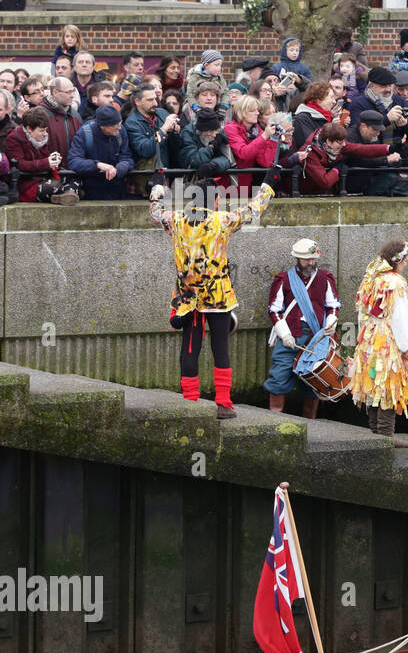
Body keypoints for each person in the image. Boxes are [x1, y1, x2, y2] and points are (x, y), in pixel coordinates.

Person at [150, 175, 275, 418]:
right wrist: (268, 186)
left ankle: (190, 401)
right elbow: (254, 208)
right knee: (221, 348)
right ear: (215, 200)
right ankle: (224, 403)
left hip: (188, 297)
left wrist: (157, 189)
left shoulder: (176, 220)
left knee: (190, 347)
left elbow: (156, 211)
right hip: (217, 296)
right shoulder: (222, 220)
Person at [352, 238, 408, 443]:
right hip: (388, 338)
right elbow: (399, 317)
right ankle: (386, 435)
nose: (407, 263)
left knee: (373, 382)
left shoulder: (371, 279)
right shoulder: (395, 282)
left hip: (370, 337)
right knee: (390, 385)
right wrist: (407, 346)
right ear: (397, 261)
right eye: (405, 260)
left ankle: (375, 431)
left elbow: (362, 312)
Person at [264, 238, 341, 418]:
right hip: (290, 336)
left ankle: (310, 422)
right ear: (298, 258)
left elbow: (333, 305)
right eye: (307, 259)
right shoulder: (283, 279)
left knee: (314, 383)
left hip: (316, 338)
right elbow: (274, 310)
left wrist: (331, 322)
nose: (311, 263)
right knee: (279, 377)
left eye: (313, 259)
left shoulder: (325, 277)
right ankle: (273, 420)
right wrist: (284, 334)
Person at [300, 121, 395, 195]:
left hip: (320, 192)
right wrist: (337, 169)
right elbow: (325, 182)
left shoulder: (337, 142)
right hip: (303, 192)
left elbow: (361, 149)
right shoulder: (310, 153)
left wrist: (388, 149)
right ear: (328, 141)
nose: (344, 145)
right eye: (340, 142)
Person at [6, 107, 75, 204]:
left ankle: (65, 194)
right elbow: (20, 164)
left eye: (46, 130)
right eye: (42, 130)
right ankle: (70, 192)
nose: (45, 134)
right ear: (29, 129)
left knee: (74, 177)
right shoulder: (14, 138)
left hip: (45, 178)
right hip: (26, 184)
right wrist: (47, 162)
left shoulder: (42, 138)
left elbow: (47, 161)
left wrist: (55, 161)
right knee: (54, 186)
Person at [67, 104, 133, 200]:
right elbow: (73, 161)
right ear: (102, 126)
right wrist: (97, 165)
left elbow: (127, 157)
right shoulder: (84, 133)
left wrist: (119, 168)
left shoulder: (121, 131)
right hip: (91, 190)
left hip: (117, 188)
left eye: (120, 122)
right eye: (115, 125)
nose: (119, 127)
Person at [124, 85, 182, 195]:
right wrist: (164, 129)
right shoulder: (132, 123)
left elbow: (176, 148)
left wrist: (176, 133)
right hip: (144, 178)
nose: (155, 103)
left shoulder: (162, 113)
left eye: (155, 98)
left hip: (164, 173)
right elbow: (145, 150)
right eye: (150, 100)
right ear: (137, 101)